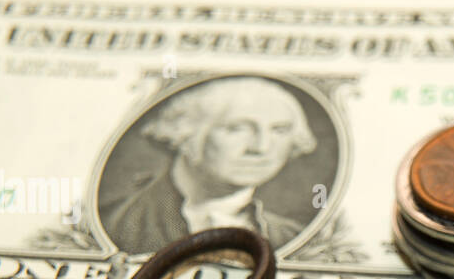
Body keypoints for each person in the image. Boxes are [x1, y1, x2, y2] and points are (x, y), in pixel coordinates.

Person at [101, 78, 318, 253]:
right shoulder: (115, 223)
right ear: (184, 134)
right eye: (236, 129)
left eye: (279, 130)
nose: (261, 148)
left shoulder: (291, 235)